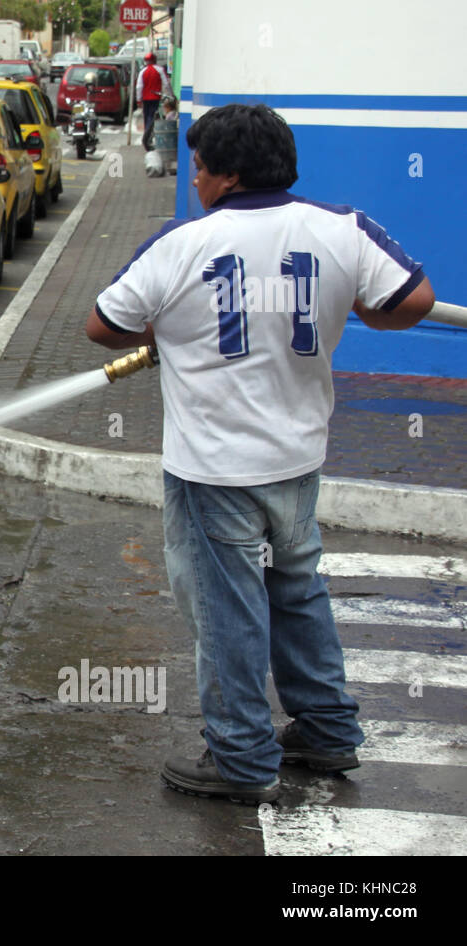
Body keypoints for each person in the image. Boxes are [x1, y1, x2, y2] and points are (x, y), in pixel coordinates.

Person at [85, 104, 435, 804]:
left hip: (213, 469)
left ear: (227, 175)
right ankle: (328, 732)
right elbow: (414, 299)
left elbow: (104, 325)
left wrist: (171, 330)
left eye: (202, 167)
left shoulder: (183, 243)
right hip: (298, 457)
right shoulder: (341, 228)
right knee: (297, 589)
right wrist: (363, 310)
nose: (195, 178)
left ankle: (241, 760)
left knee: (227, 610)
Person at [136, 52, 171, 150]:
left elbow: (139, 87)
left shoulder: (143, 71)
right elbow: (166, 83)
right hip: (156, 98)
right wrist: (170, 94)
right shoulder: (159, 70)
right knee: (154, 117)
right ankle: (149, 136)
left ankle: (147, 135)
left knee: (147, 117)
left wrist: (138, 99)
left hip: (146, 99)